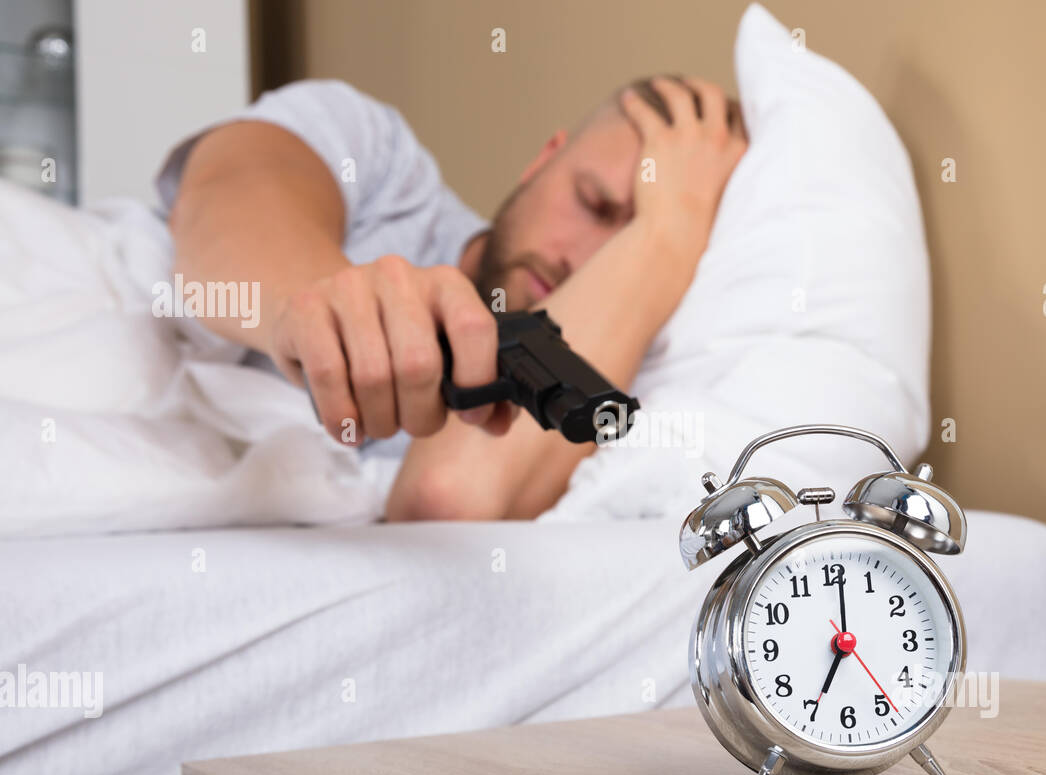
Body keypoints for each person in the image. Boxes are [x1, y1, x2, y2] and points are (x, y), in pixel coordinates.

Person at [162, 75, 747, 522]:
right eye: (592, 204)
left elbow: (441, 502)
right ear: (544, 160)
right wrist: (328, 312)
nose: (583, 259)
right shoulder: (381, 162)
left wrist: (666, 236)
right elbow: (220, 210)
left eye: (627, 244)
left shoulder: (621, 379)